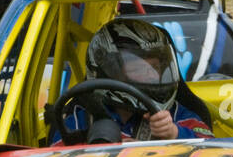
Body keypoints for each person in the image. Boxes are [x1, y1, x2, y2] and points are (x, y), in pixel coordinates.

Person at [84, 19, 213, 141]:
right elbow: (63, 155)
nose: (151, 75)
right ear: (109, 73)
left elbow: (211, 149)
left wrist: (174, 133)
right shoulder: (83, 118)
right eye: (138, 69)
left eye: (155, 67)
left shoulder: (178, 115)